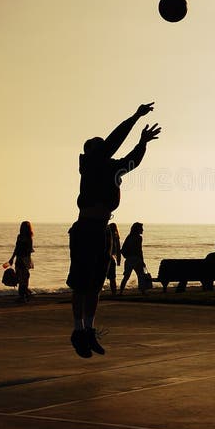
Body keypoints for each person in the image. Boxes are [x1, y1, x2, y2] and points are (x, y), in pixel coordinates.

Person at [66, 103, 161, 359]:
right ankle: (78, 331)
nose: (104, 147)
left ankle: (88, 330)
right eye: (99, 145)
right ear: (90, 151)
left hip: (101, 231)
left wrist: (142, 143)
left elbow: (132, 161)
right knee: (81, 284)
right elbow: (114, 140)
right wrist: (135, 117)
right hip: (86, 230)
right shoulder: (90, 164)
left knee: (95, 285)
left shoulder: (111, 168)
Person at [118, 222, 149, 295]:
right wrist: (142, 261)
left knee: (126, 276)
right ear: (138, 229)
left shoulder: (129, 237)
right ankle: (143, 291)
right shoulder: (139, 238)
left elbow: (122, 249)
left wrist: (127, 256)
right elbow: (139, 250)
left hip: (129, 259)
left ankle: (121, 292)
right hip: (137, 259)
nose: (142, 230)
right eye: (141, 228)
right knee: (140, 275)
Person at [9, 220, 34, 303]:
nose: (23, 228)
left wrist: (27, 261)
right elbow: (16, 248)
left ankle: (24, 295)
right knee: (20, 277)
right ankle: (24, 294)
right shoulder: (19, 236)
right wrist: (12, 258)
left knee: (24, 277)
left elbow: (29, 250)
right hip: (19, 258)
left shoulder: (29, 238)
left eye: (24, 227)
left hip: (24, 259)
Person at [106, 222, 121, 296]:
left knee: (101, 277)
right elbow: (118, 249)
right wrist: (118, 260)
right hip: (111, 259)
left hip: (105, 258)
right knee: (112, 277)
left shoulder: (106, 236)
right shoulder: (116, 237)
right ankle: (114, 292)